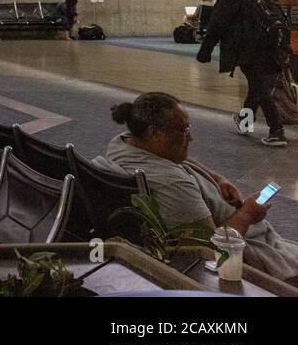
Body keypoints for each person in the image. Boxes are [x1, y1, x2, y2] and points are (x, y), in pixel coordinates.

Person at [96, 92, 298, 281]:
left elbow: (181, 160)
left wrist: (218, 179)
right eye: (184, 131)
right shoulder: (171, 184)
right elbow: (209, 248)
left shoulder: (124, 143)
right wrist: (246, 215)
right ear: (155, 133)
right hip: (248, 249)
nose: (190, 138)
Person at [197, 0, 288, 147]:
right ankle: (245, 122)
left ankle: (277, 131)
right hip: (269, 46)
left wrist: (205, 50)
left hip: (246, 48)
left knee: (260, 87)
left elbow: (217, 23)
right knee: (256, 85)